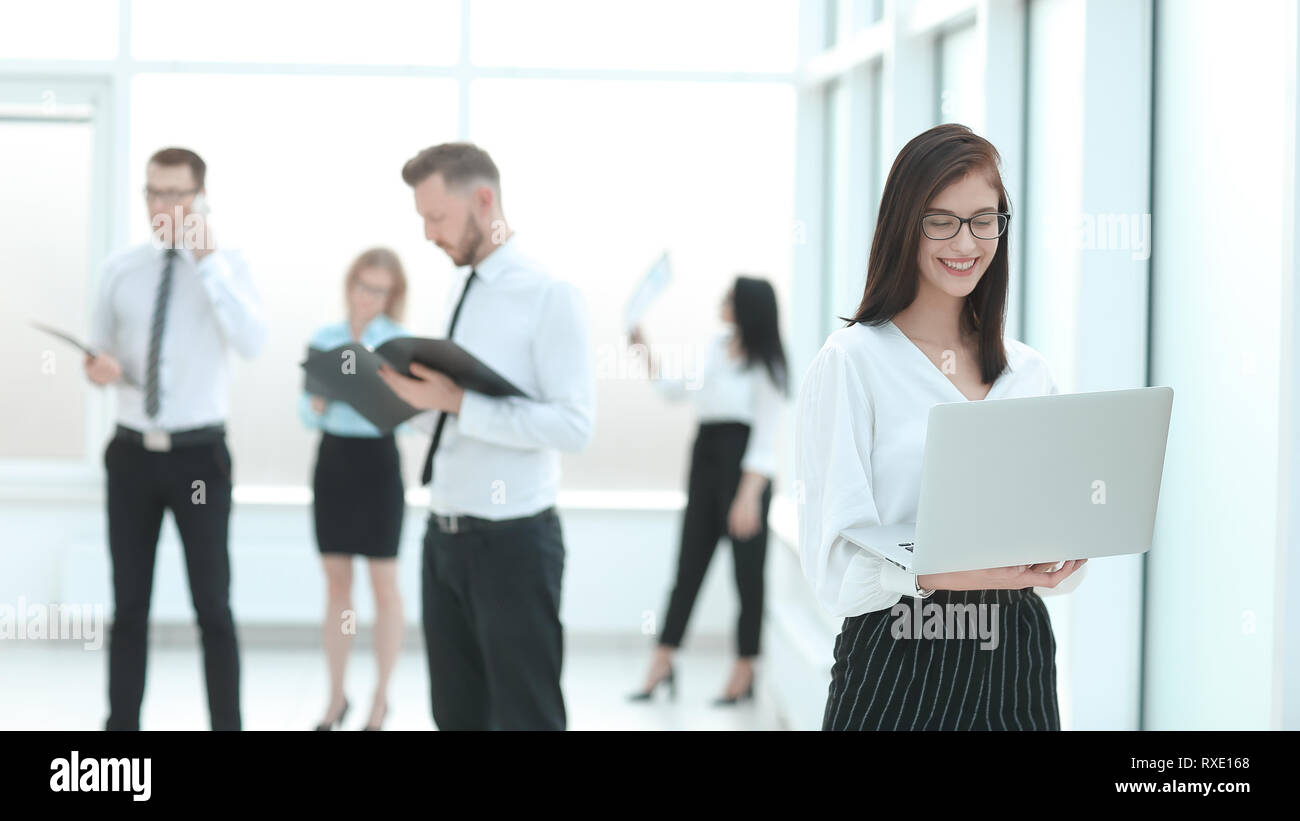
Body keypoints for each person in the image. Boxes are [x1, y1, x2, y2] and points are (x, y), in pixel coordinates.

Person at [794, 123, 1086, 731]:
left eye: (984, 219)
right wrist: (946, 573)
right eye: (941, 220)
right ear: (906, 224)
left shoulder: (1029, 372)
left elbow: (1052, 526)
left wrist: (1064, 546)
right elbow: (836, 569)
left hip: (1018, 650)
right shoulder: (853, 363)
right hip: (901, 652)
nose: (966, 241)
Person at [377, 142, 595, 731]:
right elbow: (458, 415)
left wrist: (456, 401)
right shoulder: (462, 285)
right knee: (456, 717)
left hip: (514, 547)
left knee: (527, 718)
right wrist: (410, 401)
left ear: (483, 200)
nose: (427, 234)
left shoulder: (549, 294)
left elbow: (574, 425)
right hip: (444, 538)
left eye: (437, 218)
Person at [85, 147, 267, 731]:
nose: (163, 206)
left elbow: (252, 341)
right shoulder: (121, 269)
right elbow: (98, 351)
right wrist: (100, 368)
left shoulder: (228, 265)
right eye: (153, 193)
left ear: (200, 197)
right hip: (132, 454)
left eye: (176, 194)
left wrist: (207, 260)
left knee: (212, 604)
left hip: (197, 460)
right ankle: (120, 736)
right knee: (129, 604)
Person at [627, 276, 787, 705]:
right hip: (705, 460)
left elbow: (766, 438)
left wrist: (748, 495)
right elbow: (674, 390)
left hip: (745, 473)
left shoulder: (766, 364)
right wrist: (642, 346)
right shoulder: (717, 347)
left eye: (729, 298)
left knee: (747, 577)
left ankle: (745, 667)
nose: (721, 302)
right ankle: (663, 659)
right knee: (688, 568)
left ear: (748, 308)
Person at [300, 247, 418, 731]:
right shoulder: (324, 339)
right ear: (349, 285)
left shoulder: (399, 344)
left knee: (384, 584)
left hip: (378, 464)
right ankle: (335, 698)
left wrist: (379, 396)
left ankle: (381, 699)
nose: (368, 298)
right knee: (336, 583)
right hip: (334, 463)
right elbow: (308, 413)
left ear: (392, 296)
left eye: (379, 291)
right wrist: (325, 399)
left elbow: (411, 418)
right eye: (362, 286)